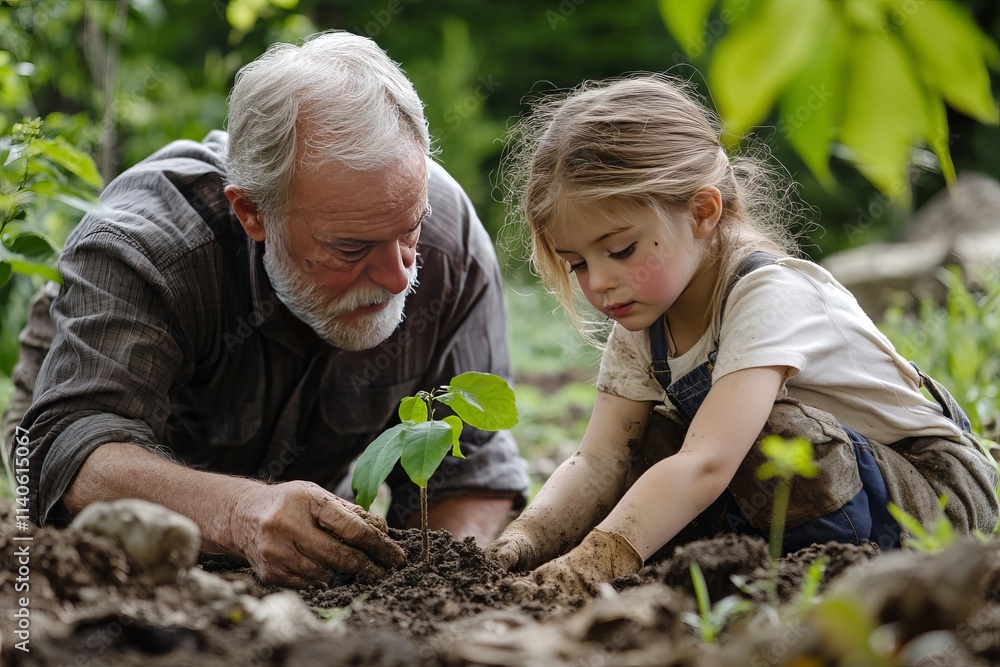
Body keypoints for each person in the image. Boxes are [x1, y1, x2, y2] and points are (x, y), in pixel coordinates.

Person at [5, 31, 529, 587]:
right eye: (350, 249)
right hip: (125, 486)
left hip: (312, 483)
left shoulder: (452, 244)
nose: (400, 275)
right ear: (252, 213)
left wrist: (426, 587)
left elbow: (472, 468)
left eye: (409, 230)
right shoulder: (149, 247)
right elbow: (69, 446)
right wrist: (237, 513)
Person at [486, 75, 999, 599]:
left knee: (770, 437)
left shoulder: (768, 295)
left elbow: (706, 464)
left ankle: (811, 580)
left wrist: (585, 567)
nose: (599, 283)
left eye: (619, 251)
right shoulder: (641, 323)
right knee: (646, 444)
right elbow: (597, 462)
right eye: (576, 265)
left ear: (702, 212)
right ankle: (733, 566)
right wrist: (520, 542)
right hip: (825, 492)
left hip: (932, 497)